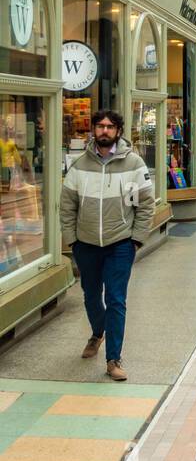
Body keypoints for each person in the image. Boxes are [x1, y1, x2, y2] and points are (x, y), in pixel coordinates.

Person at [59, 109, 154, 383]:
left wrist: (137, 238)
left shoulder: (134, 164)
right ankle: (98, 332)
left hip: (120, 244)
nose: (104, 131)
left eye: (110, 127)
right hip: (85, 244)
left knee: (116, 299)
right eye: (100, 126)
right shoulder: (79, 165)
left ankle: (113, 359)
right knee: (90, 295)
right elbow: (67, 206)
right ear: (93, 130)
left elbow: (145, 205)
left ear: (118, 131)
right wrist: (72, 239)